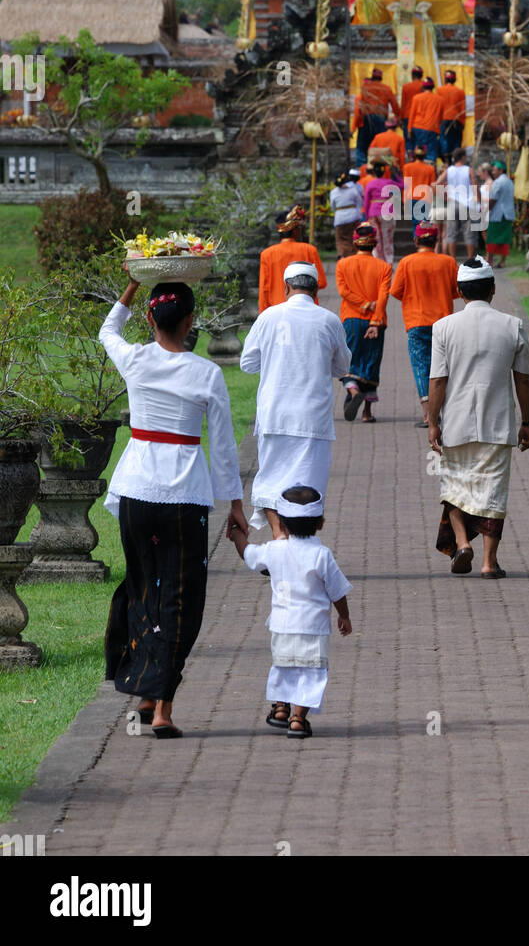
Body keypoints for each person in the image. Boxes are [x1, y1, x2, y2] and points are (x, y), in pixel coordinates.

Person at [100, 278, 246, 738]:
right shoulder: (206, 374)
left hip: (137, 492)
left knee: (144, 589)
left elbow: (107, 331)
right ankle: (162, 705)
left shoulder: (136, 359)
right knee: (182, 599)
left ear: (150, 320)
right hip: (184, 499)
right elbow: (223, 447)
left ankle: (145, 690)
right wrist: (236, 506)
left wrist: (132, 284)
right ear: (190, 323)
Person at [429, 256, 529, 578]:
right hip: (497, 423)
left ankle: (462, 543)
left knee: (455, 486)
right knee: (492, 491)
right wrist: (527, 422)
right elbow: (523, 379)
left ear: (459, 291)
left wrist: (433, 422)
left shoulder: (443, 327)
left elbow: (437, 381)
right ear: (492, 290)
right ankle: (490, 562)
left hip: (456, 423)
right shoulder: (512, 325)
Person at [229, 485, 352, 739]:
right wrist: (344, 616)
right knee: (311, 672)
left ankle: (281, 708)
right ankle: (298, 717)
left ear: (281, 524)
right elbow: (337, 591)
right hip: (313, 628)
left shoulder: (275, 550)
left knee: (283, 666)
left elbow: (248, 554)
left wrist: (235, 533)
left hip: (281, 626)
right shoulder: (322, 555)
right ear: (320, 523)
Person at [240, 262, 351, 537]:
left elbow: (247, 362)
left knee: (272, 479)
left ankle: (279, 534)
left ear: (286, 287)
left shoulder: (268, 317)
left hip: (274, 414)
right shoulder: (329, 320)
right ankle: (299, 542)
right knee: (308, 484)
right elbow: (342, 368)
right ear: (315, 290)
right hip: (313, 418)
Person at [390, 222, 460, 427]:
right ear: (437, 240)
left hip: (416, 322)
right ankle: (447, 410)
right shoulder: (448, 262)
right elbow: (457, 291)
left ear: (416, 240)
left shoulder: (406, 262)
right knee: (444, 367)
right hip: (444, 323)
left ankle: (429, 414)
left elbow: (395, 292)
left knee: (421, 367)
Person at [335, 222, 392, 423]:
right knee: (371, 363)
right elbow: (384, 296)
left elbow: (343, 292)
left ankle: (352, 390)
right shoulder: (384, 267)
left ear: (355, 242)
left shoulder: (342, 264)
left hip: (351, 318)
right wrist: (375, 319)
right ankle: (367, 413)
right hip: (375, 322)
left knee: (349, 361)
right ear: (374, 243)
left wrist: (363, 304)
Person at [259, 205, 327, 311]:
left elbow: (264, 290)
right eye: (299, 227)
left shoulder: (267, 254)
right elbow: (321, 282)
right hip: (307, 310)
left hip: (277, 311)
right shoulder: (310, 250)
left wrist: (263, 315)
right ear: (295, 230)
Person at [437, 147, 481, 260]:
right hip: (467, 204)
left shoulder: (449, 170)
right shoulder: (468, 170)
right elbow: (475, 184)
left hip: (453, 204)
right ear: (462, 157)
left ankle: (452, 259)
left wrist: (445, 196)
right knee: (469, 233)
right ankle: (470, 259)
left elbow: (437, 183)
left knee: (452, 233)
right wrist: (478, 199)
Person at [351, 66, 400, 165]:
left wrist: (353, 128)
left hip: (367, 119)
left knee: (362, 146)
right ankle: (381, 169)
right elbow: (395, 105)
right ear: (381, 78)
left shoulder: (365, 88)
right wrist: (398, 118)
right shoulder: (386, 88)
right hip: (381, 119)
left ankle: (362, 169)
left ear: (372, 77)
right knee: (381, 145)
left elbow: (359, 109)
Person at [362, 157, 402, 265]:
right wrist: (395, 172)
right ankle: (388, 262)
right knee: (388, 238)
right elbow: (403, 185)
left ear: (374, 172)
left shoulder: (370, 184)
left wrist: (366, 218)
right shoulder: (389, 182)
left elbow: (366, 203)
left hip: (374, 213)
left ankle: (379, 263)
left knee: (377, 239)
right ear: (384, 171)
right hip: (388, 212)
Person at [485, 158, 515, 268]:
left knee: (492, 237)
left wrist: (486, 210)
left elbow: (493, 198)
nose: (493, 172)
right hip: (508, 214)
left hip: (498, 214)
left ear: (501, 171)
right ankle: (502, 261)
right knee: (504, 238)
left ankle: (489, 260)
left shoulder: (498, 182)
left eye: (494, 170)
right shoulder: (510, 182)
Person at [407, 76, 443, 166]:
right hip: (431, 128)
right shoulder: (440, 100)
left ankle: (415, 170)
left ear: (423, 87)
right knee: (430, 154)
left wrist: (409, 129)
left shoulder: (416, 98)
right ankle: (429, 173)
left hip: (417, 127)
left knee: (417, 150)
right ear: (433, 87)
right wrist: (438, 130)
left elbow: (412, 114)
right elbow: (440, 117)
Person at [330, 171, 364, 259]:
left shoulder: (333, 192)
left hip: (340, 218)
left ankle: (342, 255)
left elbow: (333, 206)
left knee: (341, 239)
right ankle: (352, 256)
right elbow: (359, 203)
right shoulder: (353, 190)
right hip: (353, 217)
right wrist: (358, 214)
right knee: (353, 238)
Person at [403, 144, 437, 229]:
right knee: (425, 224)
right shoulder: (430, 169)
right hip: (426, 199)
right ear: (425, 155)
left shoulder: (407, 167)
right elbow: (432, 186)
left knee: (415, 225)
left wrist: (404, 201)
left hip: (412, 198)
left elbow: (406, 185)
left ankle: (417, 241)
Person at [436, 68, 466, 159]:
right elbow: (462, 109)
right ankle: (455, 161)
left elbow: (438, 106)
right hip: (456, 120)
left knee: (444, 142)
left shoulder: (439, 90)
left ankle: (446, 162)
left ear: (445, 79)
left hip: (444, 120)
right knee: (456, 142)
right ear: (455, 79)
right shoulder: (460, 92)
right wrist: (463, 123)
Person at [400, 64, 426, 141]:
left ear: (412, 75)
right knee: (419, 142)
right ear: (421, 75)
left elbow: (403, 104)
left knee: (408, 141)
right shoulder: (424, 86)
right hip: (419, 116)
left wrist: (400, 118)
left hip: (407, 116)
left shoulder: (406, 87)